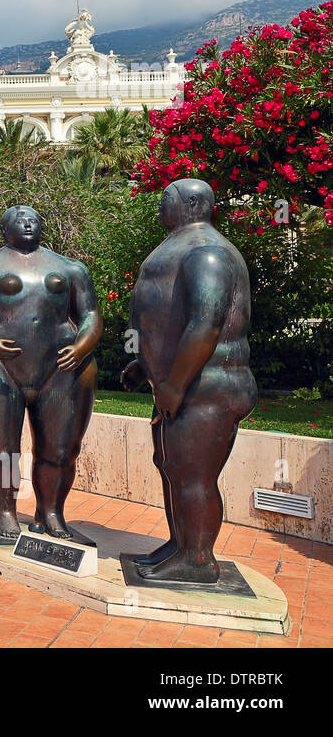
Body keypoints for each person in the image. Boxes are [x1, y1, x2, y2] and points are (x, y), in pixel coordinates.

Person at [122, 178, 257, 583]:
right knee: (171, 466)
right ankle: (181, 543)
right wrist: (145, 367)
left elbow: (206, 322)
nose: (159, 204)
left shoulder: (208, 253)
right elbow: (167, 317)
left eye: (167, 197)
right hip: (177, 387)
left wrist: (176, 384)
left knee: (192, 473)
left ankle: (198, 559)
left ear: (193, 203)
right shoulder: (181, 246)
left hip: (206, 386)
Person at [0, 205, 102, 541]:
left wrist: (80, 348)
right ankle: (1, 510)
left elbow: (90, 314)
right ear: (4, 228)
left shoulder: (70, 268)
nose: (28, 222)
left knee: (62, 449)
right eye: (19, 219)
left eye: (34, 218)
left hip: (61, 365)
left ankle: (50, 512)